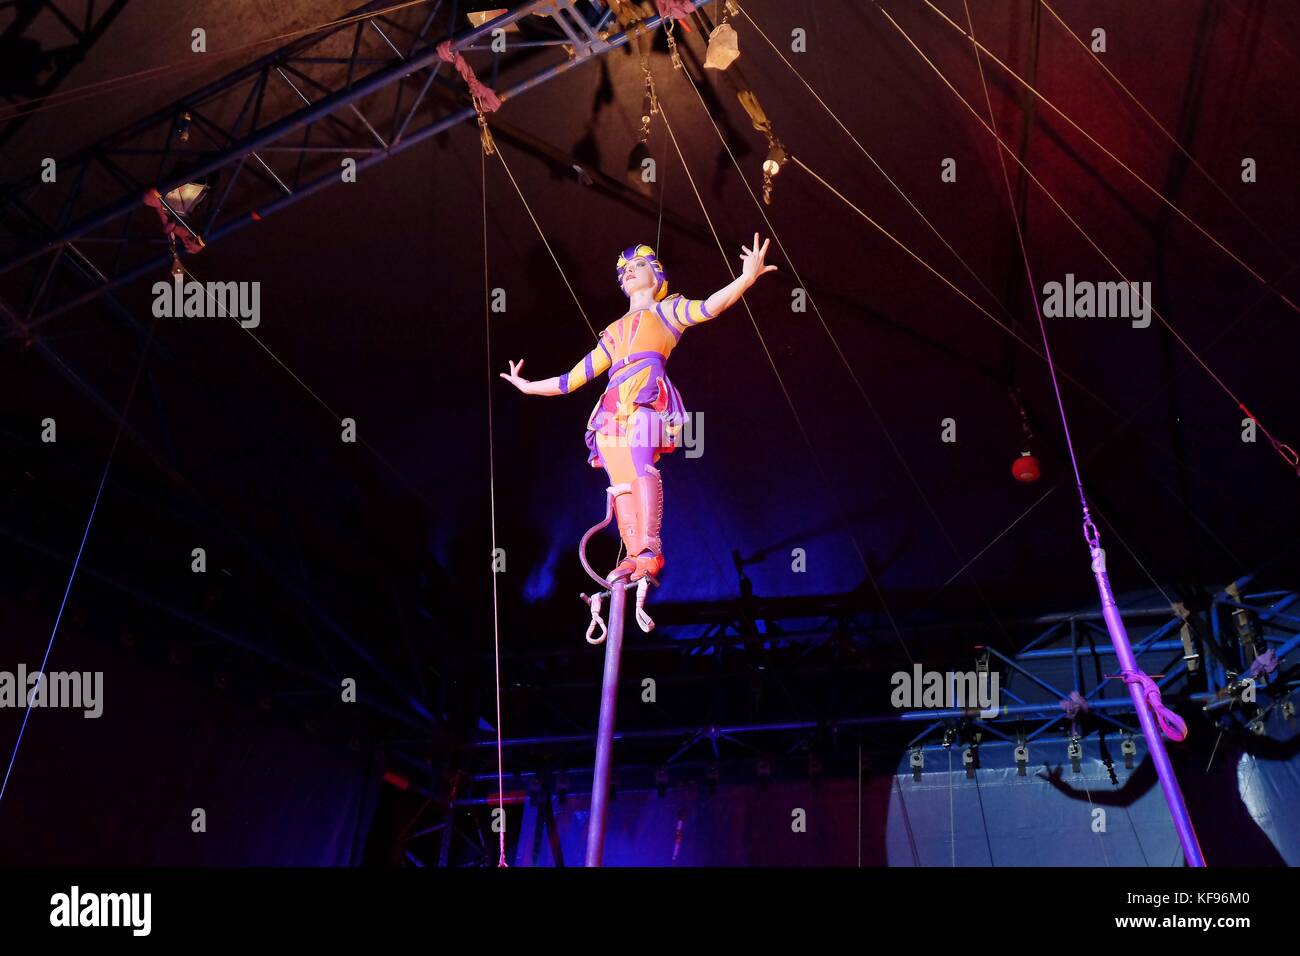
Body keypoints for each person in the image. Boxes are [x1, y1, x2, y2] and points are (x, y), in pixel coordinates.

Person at [501, 234, 777, 582]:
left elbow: (711, 306)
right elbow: (572, 379)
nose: (629, 273)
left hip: (647, 395)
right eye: (624, 270)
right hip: (612, 406)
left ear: (657, 275)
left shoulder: (669, 310)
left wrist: (746, 278)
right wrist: (528, 387)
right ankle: (632, 555)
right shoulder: (612, 331)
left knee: (641, 461)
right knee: (620, 481)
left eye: (638, 266)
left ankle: (649, 550)